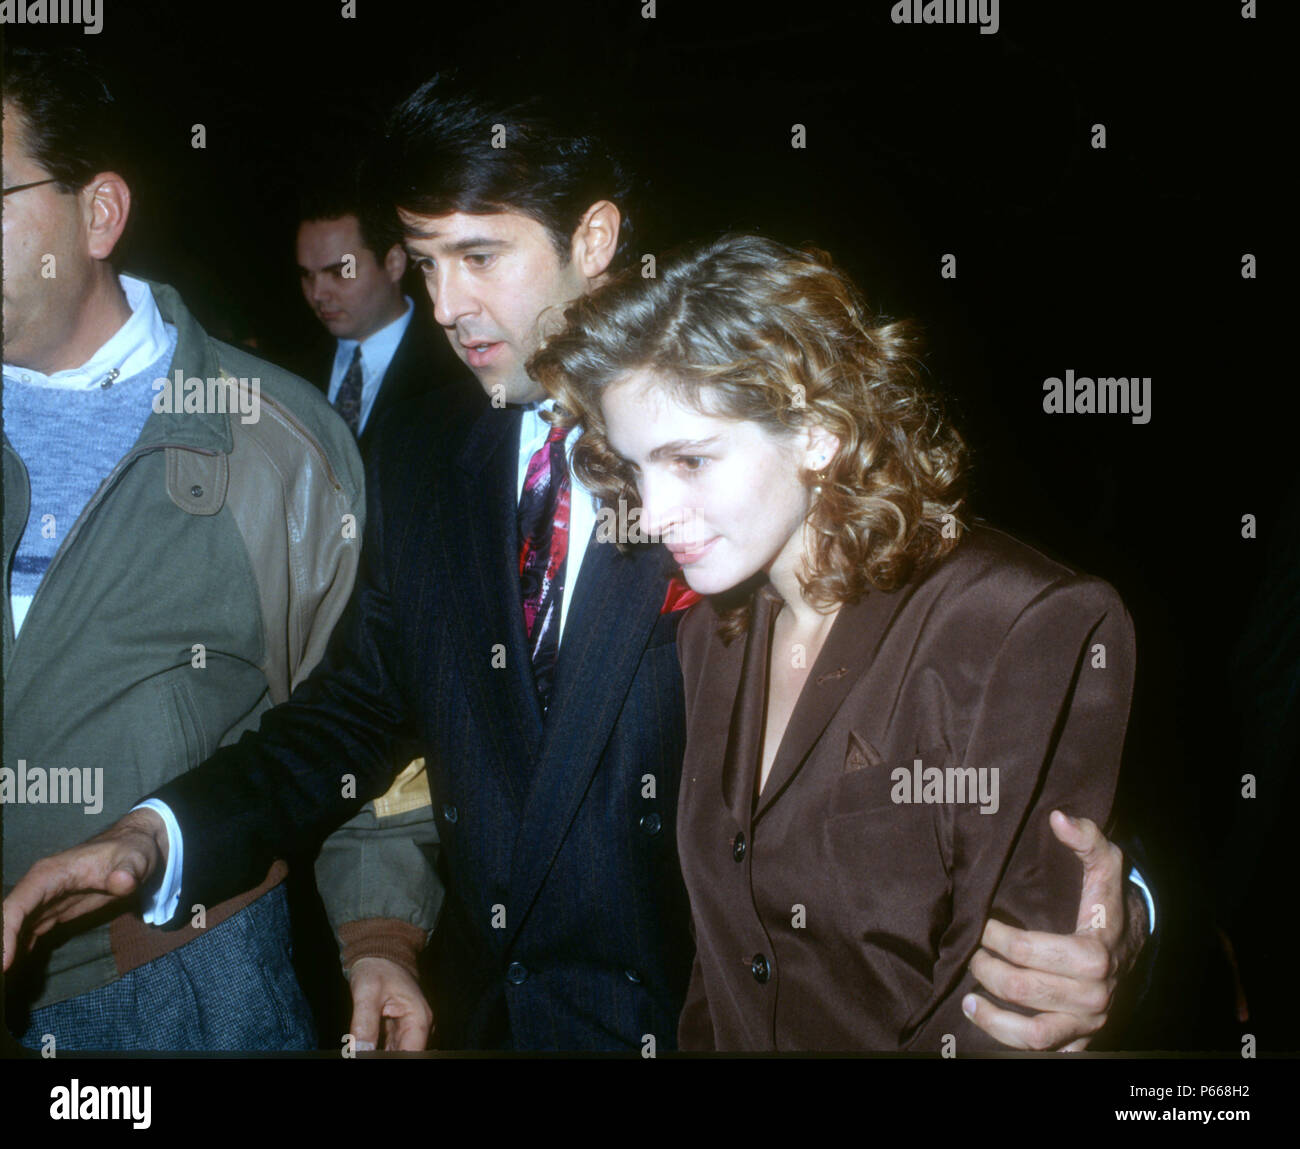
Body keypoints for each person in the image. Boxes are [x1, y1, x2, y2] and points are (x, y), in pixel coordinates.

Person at [2, 78, 1146, 1052]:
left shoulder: (745, 465)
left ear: (592, 239)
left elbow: (957, 700)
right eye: (425, 261)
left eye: (479, 256)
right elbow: (357, 713)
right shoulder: (429, 456)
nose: (443, 305)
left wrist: (1120, 911)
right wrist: (160, 833)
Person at [534, 232, 1136, 1050]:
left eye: (691, 460)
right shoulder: (712, 634)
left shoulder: (1019, 624)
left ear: (818, 432)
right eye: (638, 468)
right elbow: (722, 973)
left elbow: (1003, 1014)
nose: (655, 510)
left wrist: (1136, 912)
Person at [1, 44, 364, 1050]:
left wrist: (381, 933)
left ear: (98, 213)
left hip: (179, 980)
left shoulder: (275, 442)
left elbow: (360, 718)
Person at [294, 177, 482, 459]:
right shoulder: (287, 365)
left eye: (339, 273)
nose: (318, 293)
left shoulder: (463, 367)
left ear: (394, 263)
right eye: (307, 275)